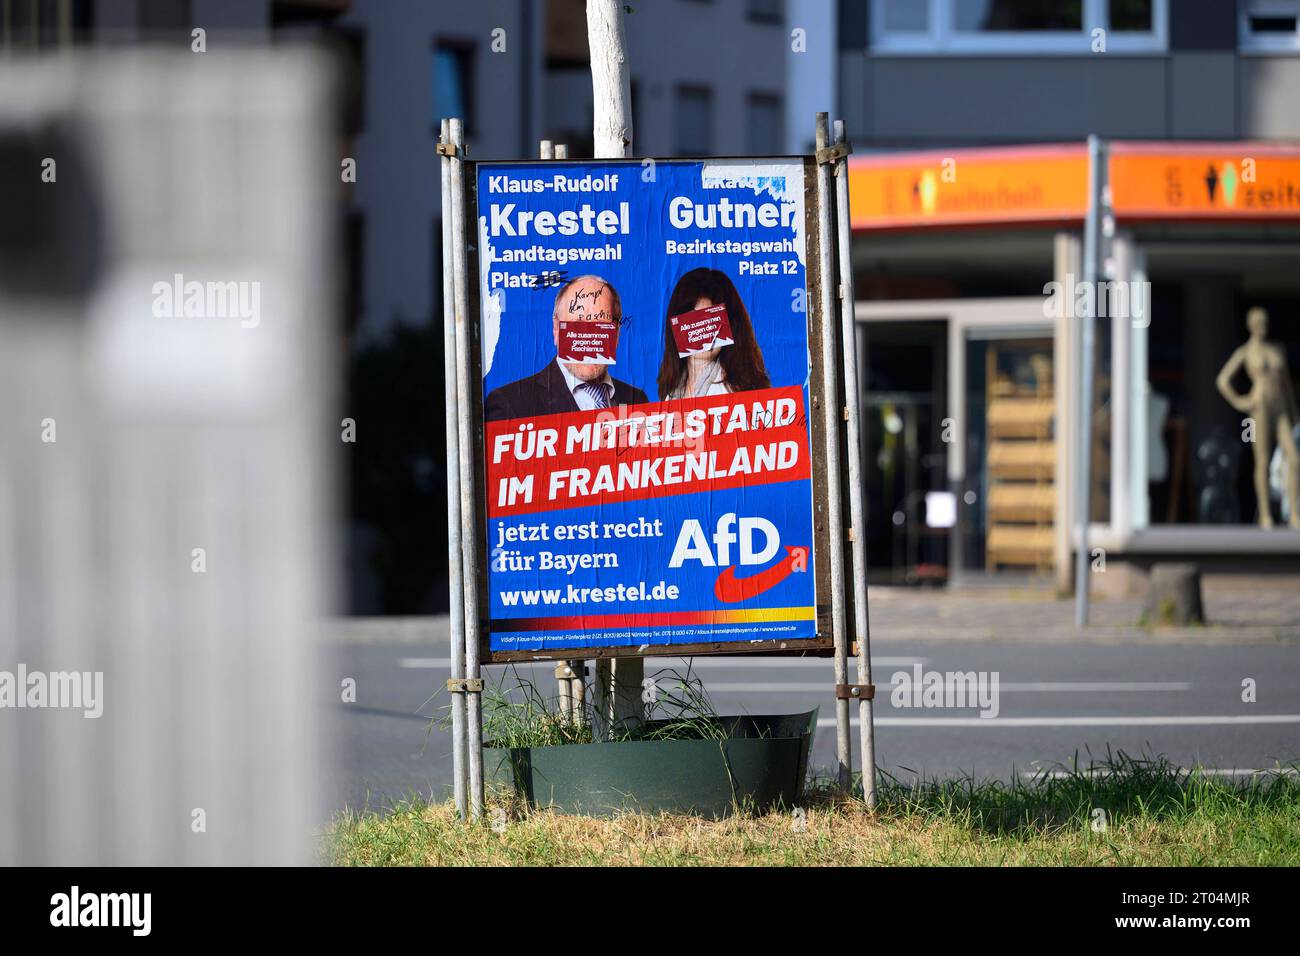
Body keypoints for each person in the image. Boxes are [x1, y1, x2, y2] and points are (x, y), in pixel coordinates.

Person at [485, 275, 648, 422]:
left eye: (601, 321)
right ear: (556, 329)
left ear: (616, 333)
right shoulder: (510, 405)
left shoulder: (637, 399)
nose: (588, 335)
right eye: (578, 322)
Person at [1215, 306, 1300, 529]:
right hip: (1259, 405)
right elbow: (1222, 380)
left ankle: (1293, 512)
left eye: (1265, 321)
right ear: (1251, 325)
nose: (1262, 326)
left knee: (1294, 457)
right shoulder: (1245, 352)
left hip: (1280, 406)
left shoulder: (1277, 349)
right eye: (1258, 322)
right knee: (1262, 460)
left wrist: (1294, 414)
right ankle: (1264, 514)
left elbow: (1287, 386)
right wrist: (1240, 401)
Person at [656, 267, 771, 400]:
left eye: (711, 320)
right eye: (693, 319)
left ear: (731, 325)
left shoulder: (747, 392)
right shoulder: (671, 390)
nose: (702, 331)